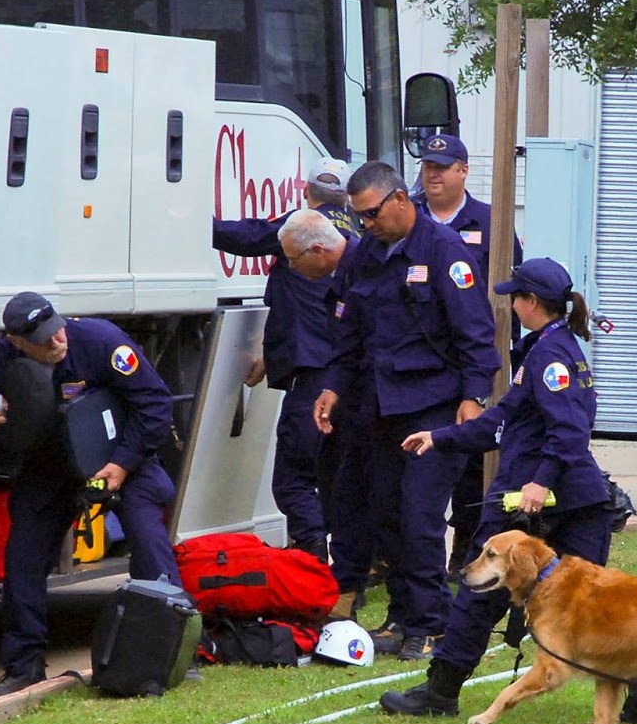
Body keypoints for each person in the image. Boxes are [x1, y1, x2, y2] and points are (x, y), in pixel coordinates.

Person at [377, 257, 637, 724]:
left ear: (531, 302)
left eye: (515, 296)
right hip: (569, 502)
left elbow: (571, 431)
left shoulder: (552, 355)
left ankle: (441, 690)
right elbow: (503, 416)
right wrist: (441, 437)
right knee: (592, 602)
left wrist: (539, 480)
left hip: (546, 504)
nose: (511, 304)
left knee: (480, 588)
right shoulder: (544, 349)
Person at [313, 161, 500, 661]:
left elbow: (477, 334)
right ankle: (400, 617)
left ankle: (431, 624)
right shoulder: (363, 255)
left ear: (400, 200)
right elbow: (348, 333)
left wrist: (472, 397)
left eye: (372, 213)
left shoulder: (444, 252)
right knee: (385, 515)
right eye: (359, 217)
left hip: (432, 406)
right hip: (376, 406)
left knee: (419, 517)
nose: (366, 224)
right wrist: (333, 386)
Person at [0, 291, 180, 701]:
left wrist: (122, 464)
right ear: (16, 341)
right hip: (51, 466)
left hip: (120, 456)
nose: (56, 341)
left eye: (56, 330)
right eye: (42, 340)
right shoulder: (4, 362)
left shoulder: (100, 340)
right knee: (22, 555)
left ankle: (167, 655)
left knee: (147, 540)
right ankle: (24, 665)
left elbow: (155, 404)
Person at [211, 158, 357, 557]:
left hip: (311, 375)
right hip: (345, 377)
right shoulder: (357, 236)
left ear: (305, 192)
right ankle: (342, 567)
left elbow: (243, 236)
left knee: (292, 481)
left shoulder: (303, 226)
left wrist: (189, 219)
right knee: (333, 478)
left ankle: (312, 563)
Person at [411, 134, 524, 575]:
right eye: (427, 167)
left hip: (476, 360)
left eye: (442, 167)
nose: (433, 174)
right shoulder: (411, 218)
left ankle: (465, 547)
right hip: (421, 365)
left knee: (473, 456)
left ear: (463, 170)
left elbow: (510, 294)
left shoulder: (489, 222)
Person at [276, 208, 371, 620]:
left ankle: (314, 565)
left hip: (337, 389)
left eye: (294, 261)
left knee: (299, 480)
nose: (291, 269)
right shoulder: (352, 266)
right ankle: (341, 583)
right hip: (338, 387)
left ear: (317, 250)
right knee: (338, 487)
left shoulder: (360, 270)